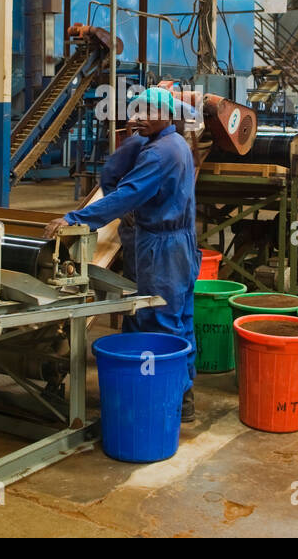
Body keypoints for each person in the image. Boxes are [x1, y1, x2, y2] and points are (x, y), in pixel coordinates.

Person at [45, 87, 201, 421]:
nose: (134, 119)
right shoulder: (173, 144)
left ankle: (160, 401)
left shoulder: (159, 153)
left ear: (165, 115)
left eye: (145, 113)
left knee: (157, 321)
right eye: (135, 111)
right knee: (179, 320)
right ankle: (182, 396)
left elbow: (127, 194)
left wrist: (76, 218)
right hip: (181, 244)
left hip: (161, 248)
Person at [99, 130, 147, 283]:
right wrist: (123, 210)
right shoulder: (137, 143)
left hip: (160, 226)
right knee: (136, 277)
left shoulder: (173, 144)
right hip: (136, 222)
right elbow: (108, 177)